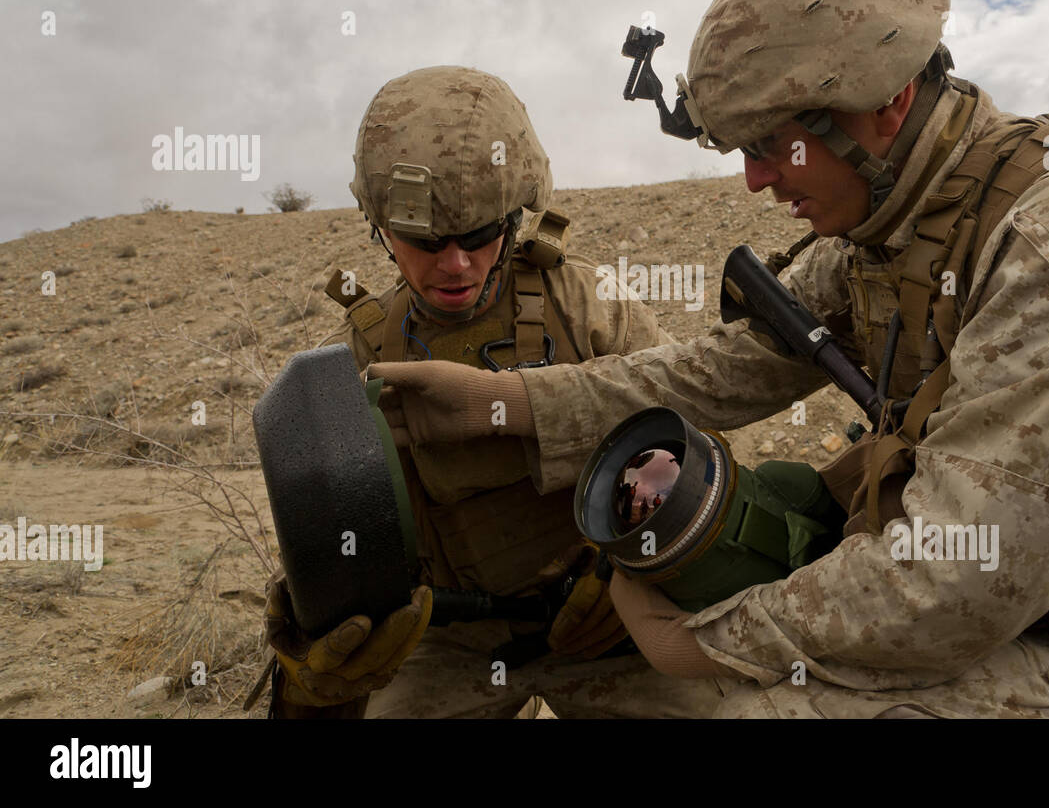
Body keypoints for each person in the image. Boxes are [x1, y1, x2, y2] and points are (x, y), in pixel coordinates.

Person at [370, 0, 1049, 718]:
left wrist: (708, 642)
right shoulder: (897, 223)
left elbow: (961, 576)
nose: (756, 180)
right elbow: (725, 368)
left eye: (775, 145)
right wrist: (507, 402)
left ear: (885, 101)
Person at [261, 66, 732, 718]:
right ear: (380, 228)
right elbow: (349, 528)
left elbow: (703, 445)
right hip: (454, 639)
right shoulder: (365, 349)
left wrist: (632, 573)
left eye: (480, 235)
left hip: (610, 614)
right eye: (426, 242)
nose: (454, 265)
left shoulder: (588, 305)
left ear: (514, 221)